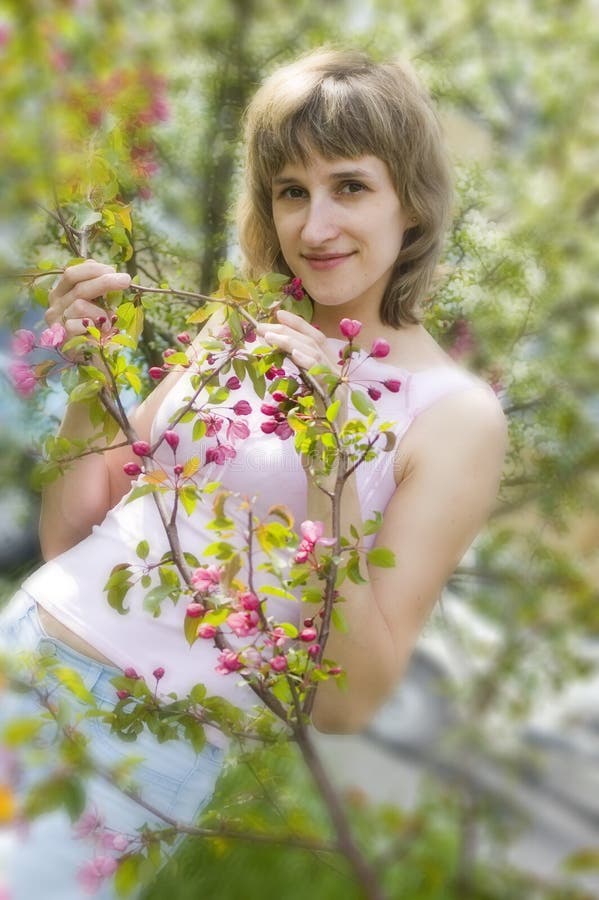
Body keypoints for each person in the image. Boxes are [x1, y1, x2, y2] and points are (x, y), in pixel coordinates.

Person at [0, 47, 508, 898]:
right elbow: (69, 533)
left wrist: (329, 456)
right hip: (28, 648)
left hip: (141, 745)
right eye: (290, 191)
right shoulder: (245, 323)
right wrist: (95, 372)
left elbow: (349, 703)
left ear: (410, 203)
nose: (314, 228)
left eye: (349, 186)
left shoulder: (453, 415)